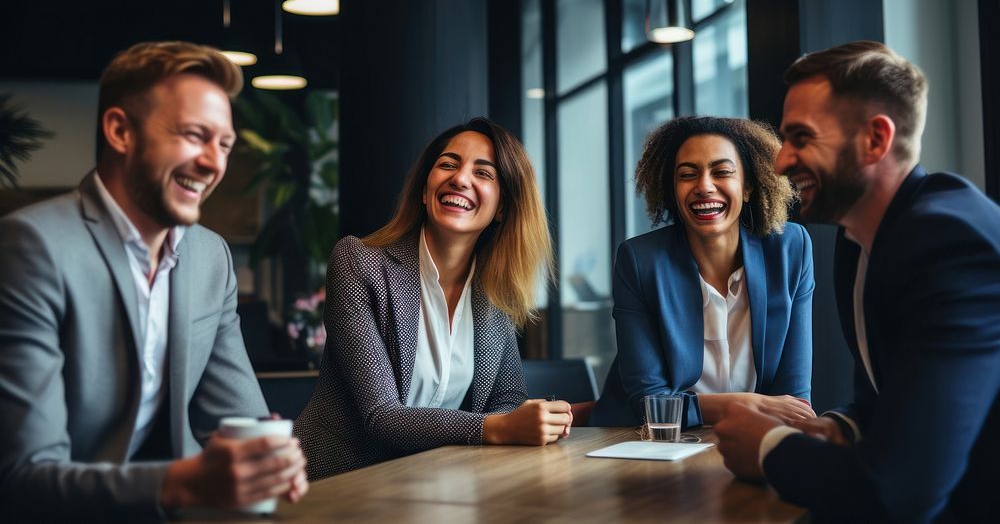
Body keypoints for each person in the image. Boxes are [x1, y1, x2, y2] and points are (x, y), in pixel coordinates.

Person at [0, 42, 308, 521]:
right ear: (121, 131)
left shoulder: (210, 256)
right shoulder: (32, 247)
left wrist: (268, 459)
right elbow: (21, 478)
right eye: (193, 135)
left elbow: (240, 421)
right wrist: (182, 483)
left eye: (224, 144)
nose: (213, 163)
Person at [715, 41, 1000, 522]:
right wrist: (838, 428)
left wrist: (769, 446)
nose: (781, 161)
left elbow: (900, 492)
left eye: (801, 138)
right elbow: (880, 401)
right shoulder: (857, 238)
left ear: (875, 139)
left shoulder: (949, 244)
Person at [294, 117, 571, 480]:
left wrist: (514, 420)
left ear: (503, 207)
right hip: (336, 484)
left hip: (435, 481)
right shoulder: (357, 262)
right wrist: (495, 428)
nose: (460, 178)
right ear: (425, 191)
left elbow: (507, 400)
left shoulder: (493, 291)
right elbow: (383, 416)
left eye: (484, 173)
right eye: (448, 164)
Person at [592, 116, 815, 430]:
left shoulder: (790, 249)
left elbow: (794, 401)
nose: (704, 186)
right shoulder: (640, 260)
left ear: (748, 185)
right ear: (672, 189)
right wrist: (745, 404)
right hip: (647, 445)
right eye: (687, 175)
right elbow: (650, 404)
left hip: (750, 439)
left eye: (722, 172)